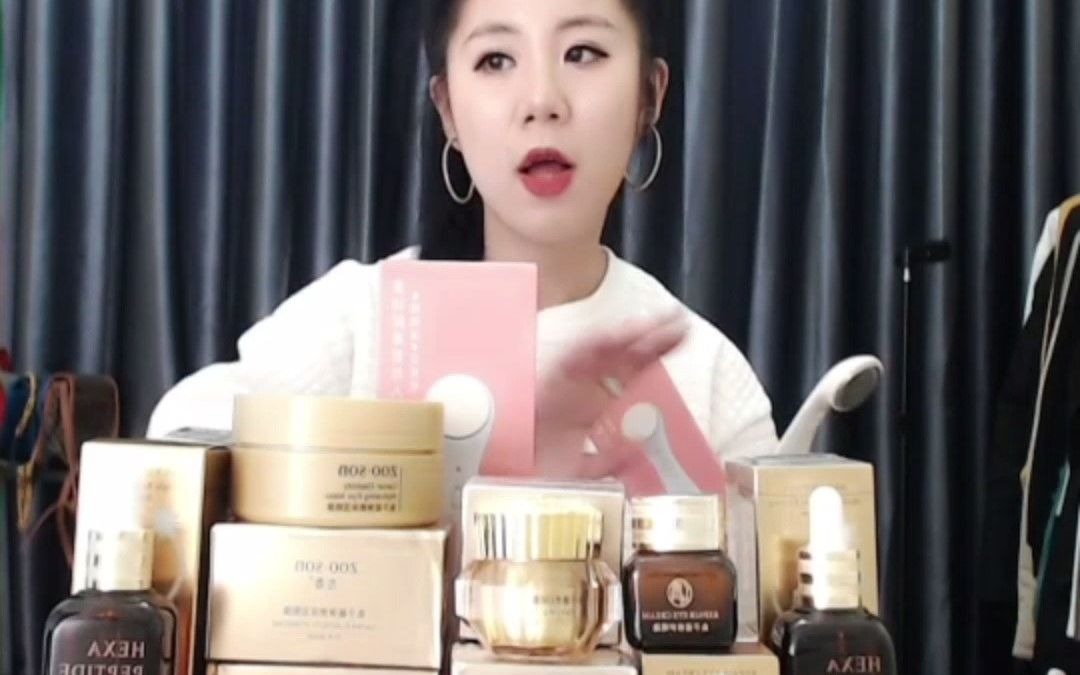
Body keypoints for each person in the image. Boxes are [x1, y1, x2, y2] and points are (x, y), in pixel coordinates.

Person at [147, 0, 778, 475]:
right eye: (496, 60)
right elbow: (175, 437)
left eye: (583, 52)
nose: (542, 100)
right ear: (448, 109)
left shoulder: (704, 370)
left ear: (650, 95)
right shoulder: (367, 318)